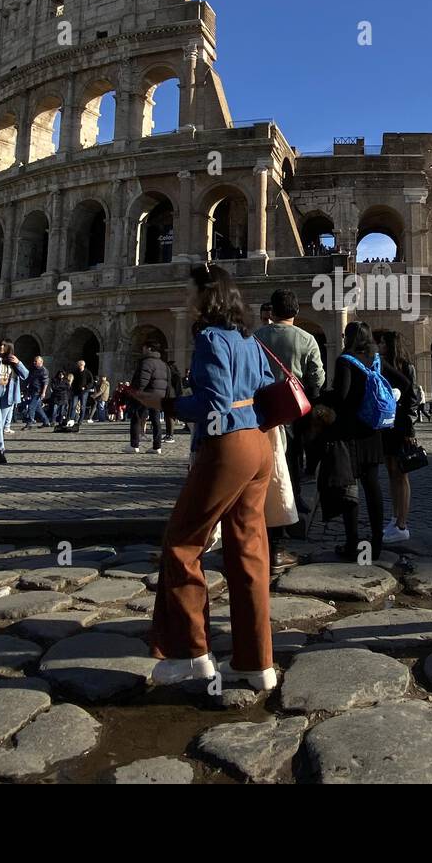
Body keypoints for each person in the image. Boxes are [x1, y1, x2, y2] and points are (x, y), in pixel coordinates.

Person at [150, 263, 276, 690]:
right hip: (261, 444)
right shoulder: (249, 339)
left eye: (191, 291)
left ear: (206, 296)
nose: (187, 298)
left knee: (182, 543)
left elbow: (213, 403)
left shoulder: (209, 338)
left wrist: (169, 406)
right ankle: (257, 663)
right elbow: (264, 386)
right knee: (249, 552)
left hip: (228, 446)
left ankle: (191, 654)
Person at [315, 320, 389, 561]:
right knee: (373, 486)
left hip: (350, 433)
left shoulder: (346, 361)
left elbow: (342, 397)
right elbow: (403, 383)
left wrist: (323, 397)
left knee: (350, 488)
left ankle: (352, 544)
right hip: (373, 431)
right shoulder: (375, 360)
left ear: (348, 337)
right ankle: (376, 545)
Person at [255, 289, 326, 527]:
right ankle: (293, 501)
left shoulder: (255, 337)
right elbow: (317, 378)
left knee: (265, 458)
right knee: (293, 457)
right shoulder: (307, 339)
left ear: (272, 312)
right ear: (296, 310)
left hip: (262, 407)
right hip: (293, 409)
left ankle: (262, 503)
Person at [376, 330, 420, 544]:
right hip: (387, 426)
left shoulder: (406, 367)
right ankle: (394, 518)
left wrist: (410, 431)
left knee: (401, 474)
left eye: (383, 342)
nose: (380, 345)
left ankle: (403, 524)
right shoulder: (382, 366)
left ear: (391, 344)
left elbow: (412, 400)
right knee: (392, 472)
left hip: (401, 426)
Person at [128, 343, 170, 454]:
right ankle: (157, 447)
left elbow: (142, 380)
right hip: (158, 396)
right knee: (156, 421)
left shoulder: (146, 362)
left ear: (149, 348)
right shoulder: (163, 364)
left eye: (144, 347)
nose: (142, 349)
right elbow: (167, 382)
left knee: (136, 418)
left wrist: (136, 394)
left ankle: (134, 445)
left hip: (146, 395)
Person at [22, 356, 51, 428]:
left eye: (36, 361)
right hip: (32, 390)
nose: (34, 362)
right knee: (38, 408)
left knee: (31, 406)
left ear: (41, 362)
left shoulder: (44, 370)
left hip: (38, 392)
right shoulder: (32, 369)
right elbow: (29, 379)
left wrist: (43, 392)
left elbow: (45, 382)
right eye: (34, 361)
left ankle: (30, 422)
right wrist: (26, 390)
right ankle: (46, 421)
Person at [71, 359, 94, 427]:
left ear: (83, 365)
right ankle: (72, 419)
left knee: (82, 406)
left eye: (80, 365)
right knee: (73, 406)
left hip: (84, 392)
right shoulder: (76, 372)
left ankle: (80, 420)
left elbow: (91, 382)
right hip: (76, 391)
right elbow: (73, 381)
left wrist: (86, 387)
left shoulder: (88, 373)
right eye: (78, 365)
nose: (79, 366)